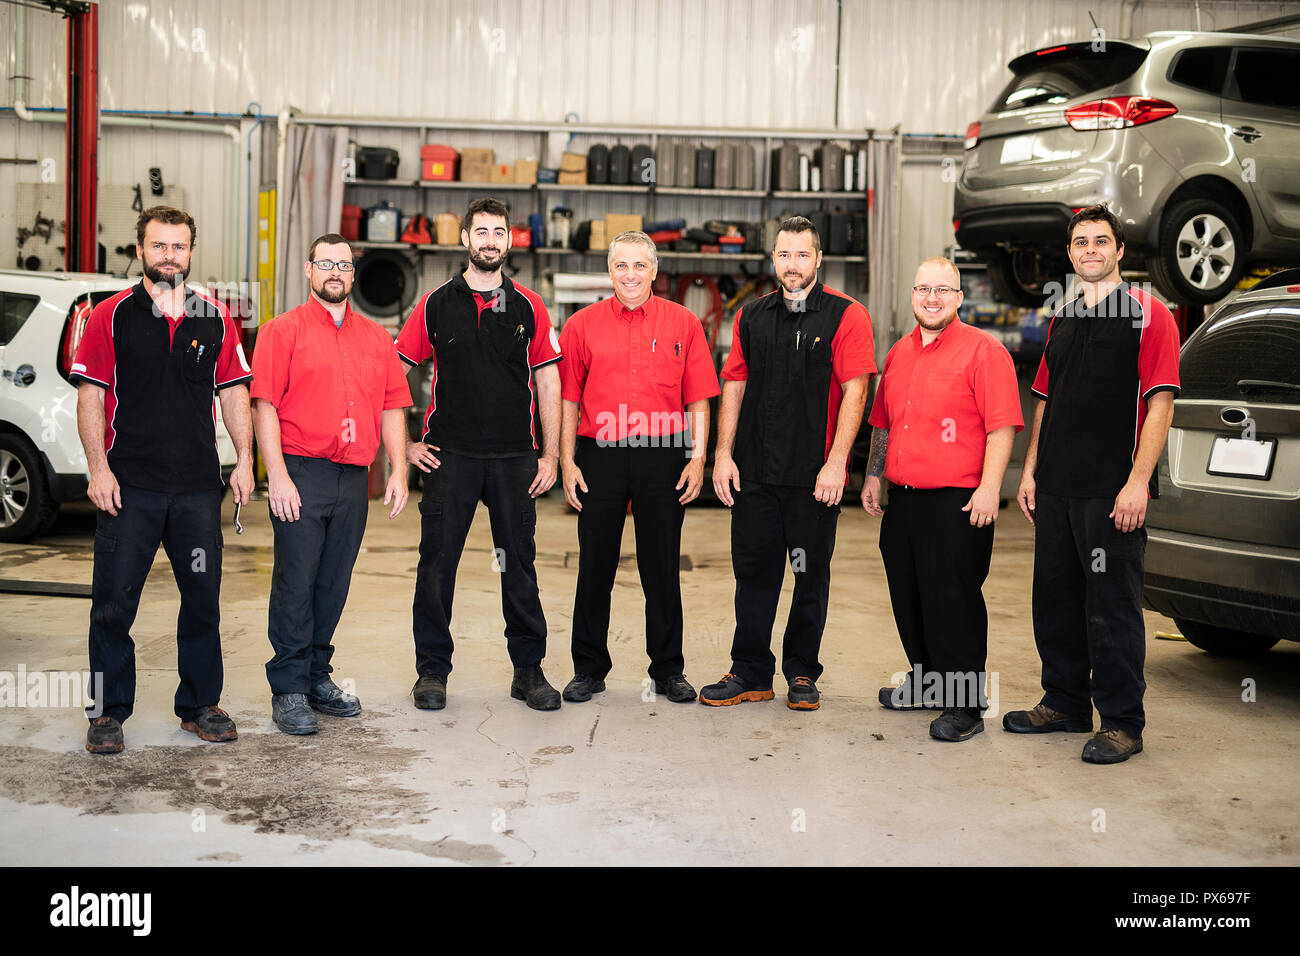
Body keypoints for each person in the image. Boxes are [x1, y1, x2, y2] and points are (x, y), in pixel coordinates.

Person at [72, 205, 253, 754]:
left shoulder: (216, 317)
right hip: (130, 486)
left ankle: (199, 704)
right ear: (141, 251)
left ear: (191, 252)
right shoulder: (109, 315)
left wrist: (245, 460)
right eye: (159, 245)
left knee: (202, 598)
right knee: (113, 603)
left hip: (198, 487)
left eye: (178, 246)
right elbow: (91, 394)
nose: (169, 255)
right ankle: (107, 713)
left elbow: (233, 391)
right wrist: (97, 469)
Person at [1004, 204, 1180, 764]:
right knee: (1054, 600)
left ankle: (1123, 722)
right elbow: (1046, 401)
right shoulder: (1063, 316)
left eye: (1101, 241)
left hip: (1111, 491)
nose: (1090, 251)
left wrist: (1137, 483)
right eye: (1080, 242)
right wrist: (1030, 468)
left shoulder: (1151, 316)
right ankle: (1065, 701)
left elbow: (1160, 405)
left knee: (1112, 607)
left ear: (1120, 250)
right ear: (1071, 253)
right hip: (1056, 486)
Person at [396, 198, 564, 712]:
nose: (490, 240)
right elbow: (392, 372)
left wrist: (551, 455)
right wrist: (404, 443)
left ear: (509, 241)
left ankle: (529, 672)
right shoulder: (433, 304)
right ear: (465, 239)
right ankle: (431, 674)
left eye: (498, 232)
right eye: (481, 232)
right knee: (437, 567)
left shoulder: (530, 306)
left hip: (515, 458)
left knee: (519, 565)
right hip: (451, 457)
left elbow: (549, 379)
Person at [704, 216, 875, 711]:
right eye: (784, 254)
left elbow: (855, 389)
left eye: (803, 255)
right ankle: (750, 672)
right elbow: (733, 384)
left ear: (819, 259)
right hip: (754, 472)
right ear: (773, 259)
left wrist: (837, 462)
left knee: (809, 576)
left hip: (812, 477)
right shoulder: (752, 317)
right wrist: (722, 455)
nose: (793, 264)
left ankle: (802, 672)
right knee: (753, 574)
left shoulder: (847, 315)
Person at [251, 233, 412, 735]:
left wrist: (398, 468)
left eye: (344, 264)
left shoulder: (375, 337)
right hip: (301, 472)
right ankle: (290, 687)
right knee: (296, 581)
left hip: (353, 478)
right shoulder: (281, 332)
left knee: (333, 582)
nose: (336, 272)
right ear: (309, 269)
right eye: (326, 263)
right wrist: (275, 474)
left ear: (352, 273)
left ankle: (317, 676)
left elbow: (391, 405)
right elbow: (264, 405)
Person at [862, 256, 1023, 741]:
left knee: (953, 602)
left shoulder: (984, 352)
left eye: (943, 291)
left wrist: (990, 488)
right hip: (904, 500)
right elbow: (883, 424)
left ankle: (966, 705)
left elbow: (1001, 428)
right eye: (924, 289)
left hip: (958, 501)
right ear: (913, 295)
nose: (932, 298)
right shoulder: (898, 353)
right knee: (908, 596)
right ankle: (929, 681)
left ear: (958, 298)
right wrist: (873, 475)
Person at [558, 230, 719, 704]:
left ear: (654, 271)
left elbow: (699, 400)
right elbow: (568, 399)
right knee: (595, 566)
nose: (630, 275)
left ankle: (668, 670)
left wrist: (698, 458)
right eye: (621, 266)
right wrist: (567, 460)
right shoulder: (581, 326)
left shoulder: (684, 323)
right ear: (611, 271)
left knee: (661, 566)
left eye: (639, 266)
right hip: (599, 453)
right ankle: (588, 669)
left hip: (664, 454)